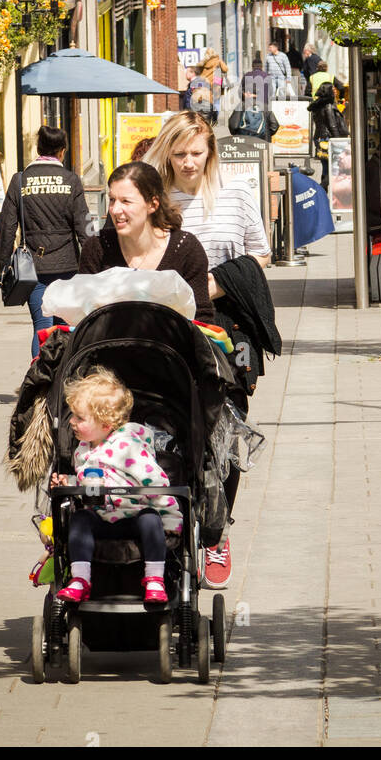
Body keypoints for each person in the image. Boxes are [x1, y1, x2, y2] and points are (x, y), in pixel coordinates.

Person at [144, 111, 280, 590]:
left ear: (210, 152)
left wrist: (216, 285)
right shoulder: (153, 199)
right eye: (178, 153)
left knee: (229, 424)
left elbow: (260, 254)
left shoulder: (236, 194)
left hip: (224, 323)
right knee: (164, 423)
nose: (187, 162)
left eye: (195, 153)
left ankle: (217, 532)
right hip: (167, 322)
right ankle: (167, 524)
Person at [52, 369, 182, 608]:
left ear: (106, 424)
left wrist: (172, 519)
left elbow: (157, 483)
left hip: (134, 518)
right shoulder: (83, 449)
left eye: (79, 418)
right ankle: (80, 579)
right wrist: (69, 484)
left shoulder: (128, 446)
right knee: (80, 518)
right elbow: (88, 482)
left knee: (150, 519)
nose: (72, 421)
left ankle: (154, 578)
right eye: (73, 415)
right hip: (101, 517)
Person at [0, 126, 93, 358]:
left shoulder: (19, 181)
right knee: (65, 328)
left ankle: (37, 386)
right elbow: (85, 228)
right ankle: (61, 381)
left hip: (33, 269)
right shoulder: (72, 181)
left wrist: (0, 266)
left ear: (38, 149)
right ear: (62, 151)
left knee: (41, 327)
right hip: (68, 268)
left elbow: (6, 227)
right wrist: (94, 266)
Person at [78, 161, 215, 322]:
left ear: (152, 204)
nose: (115, 210)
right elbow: (82, 316)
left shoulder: (186, 249)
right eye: (112, 200)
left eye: (126, 201)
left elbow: (202, 319)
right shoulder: (97, 248)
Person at [308, 80, 349, 190]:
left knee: (326, 168)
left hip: (321, 139)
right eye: (332, 89)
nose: (335, 91)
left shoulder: (317, 106)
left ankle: (323, 193)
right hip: (329, 139)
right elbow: (333, 125)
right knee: (335, 169)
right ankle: (321, 188)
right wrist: (339, 141)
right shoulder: (328, 106)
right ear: (328, 91)